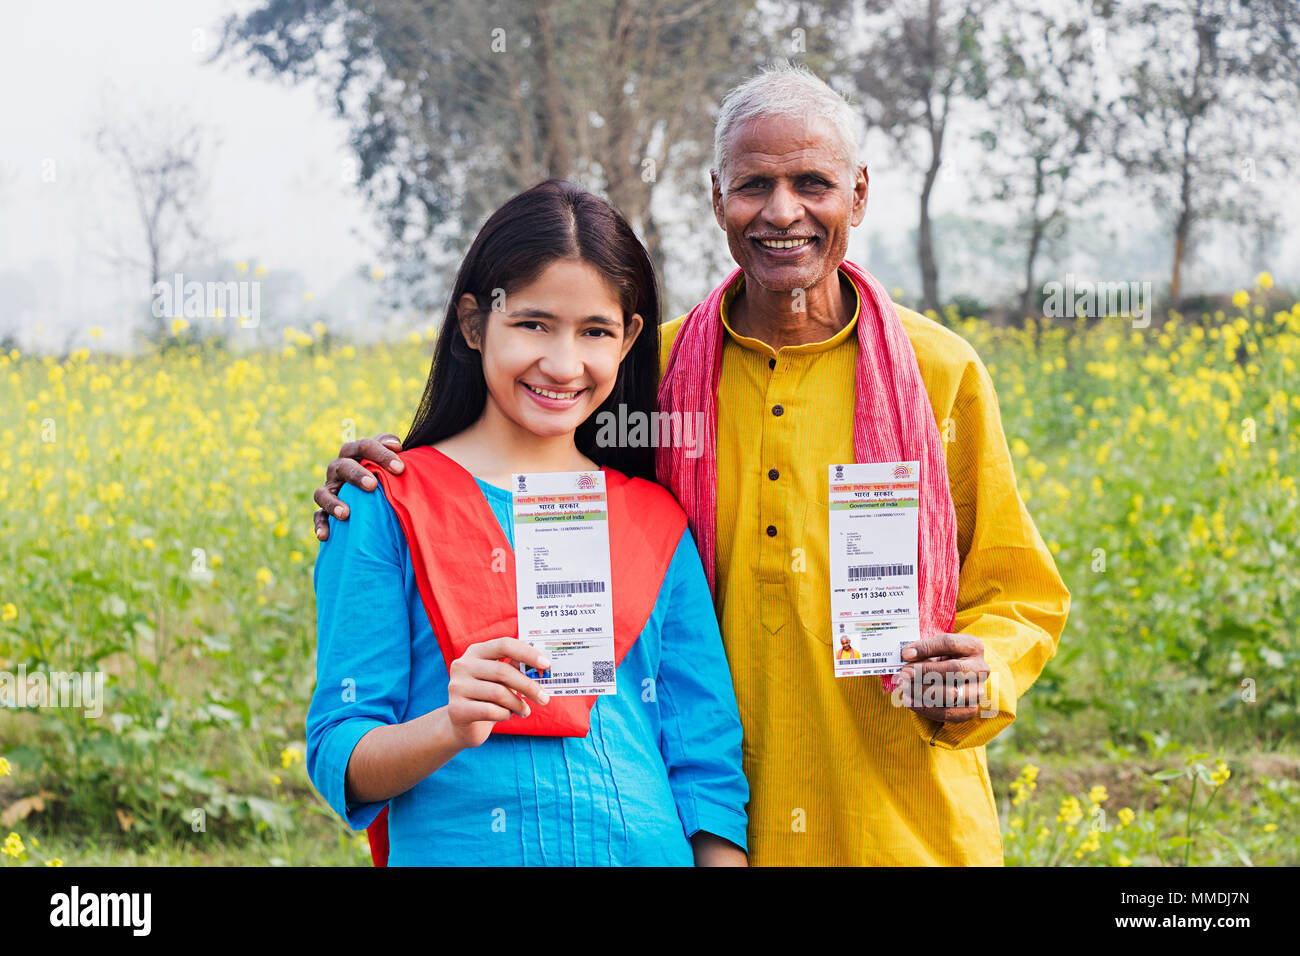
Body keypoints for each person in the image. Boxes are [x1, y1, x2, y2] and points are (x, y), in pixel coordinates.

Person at [313, 64, 1070, 866]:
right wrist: (385, 480)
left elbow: (1017, 589)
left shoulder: (938, 373)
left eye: (813, 182)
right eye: (754, 185)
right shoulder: (662, 374)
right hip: (722, 817)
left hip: (899, 813)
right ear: (717, 198)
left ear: (858, 193)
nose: (783, 212)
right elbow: (520, 464)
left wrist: (982, 667)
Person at [306, 179, 749, 866]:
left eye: (595, 331)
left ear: (630, 338)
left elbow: (706, 769)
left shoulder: (655, 518)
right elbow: (341, 752)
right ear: (474, 323)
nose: (563, 363)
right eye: (533, 324)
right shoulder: (381, 503)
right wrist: (451, 725)